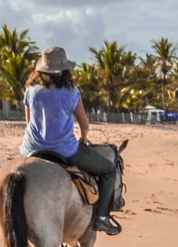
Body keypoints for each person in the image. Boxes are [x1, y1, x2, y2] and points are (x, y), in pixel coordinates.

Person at [19, 46, 122, 235]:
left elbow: (28, 122)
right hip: (64, 150)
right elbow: (84, 123)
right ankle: (102, 218)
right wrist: (83, 136)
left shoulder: (31, 90)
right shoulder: (71, 92)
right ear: (64, 69)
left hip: (30, 149)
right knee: (108, 169)